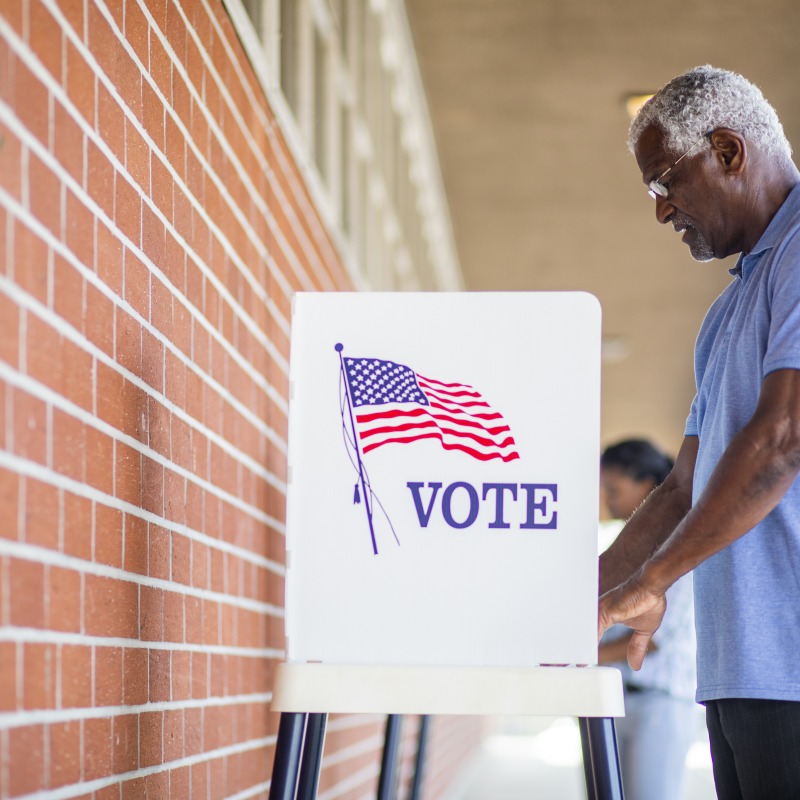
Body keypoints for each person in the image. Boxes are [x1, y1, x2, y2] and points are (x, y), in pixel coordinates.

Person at [598, 64, 800, 800]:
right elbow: (682, 485)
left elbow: (783, 439)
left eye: (663, 184)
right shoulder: (726, 314)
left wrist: (651, 583)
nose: (660, 212)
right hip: (738, 671)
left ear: (726, 151)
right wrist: (585, 597)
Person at [599, 439, 697, 800]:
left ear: (646, 486)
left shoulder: (677, 549)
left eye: (614, 490)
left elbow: (652, 637)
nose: (607, 500)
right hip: (616, 699)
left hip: (659, 704)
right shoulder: (621, 552)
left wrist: (580, 656)